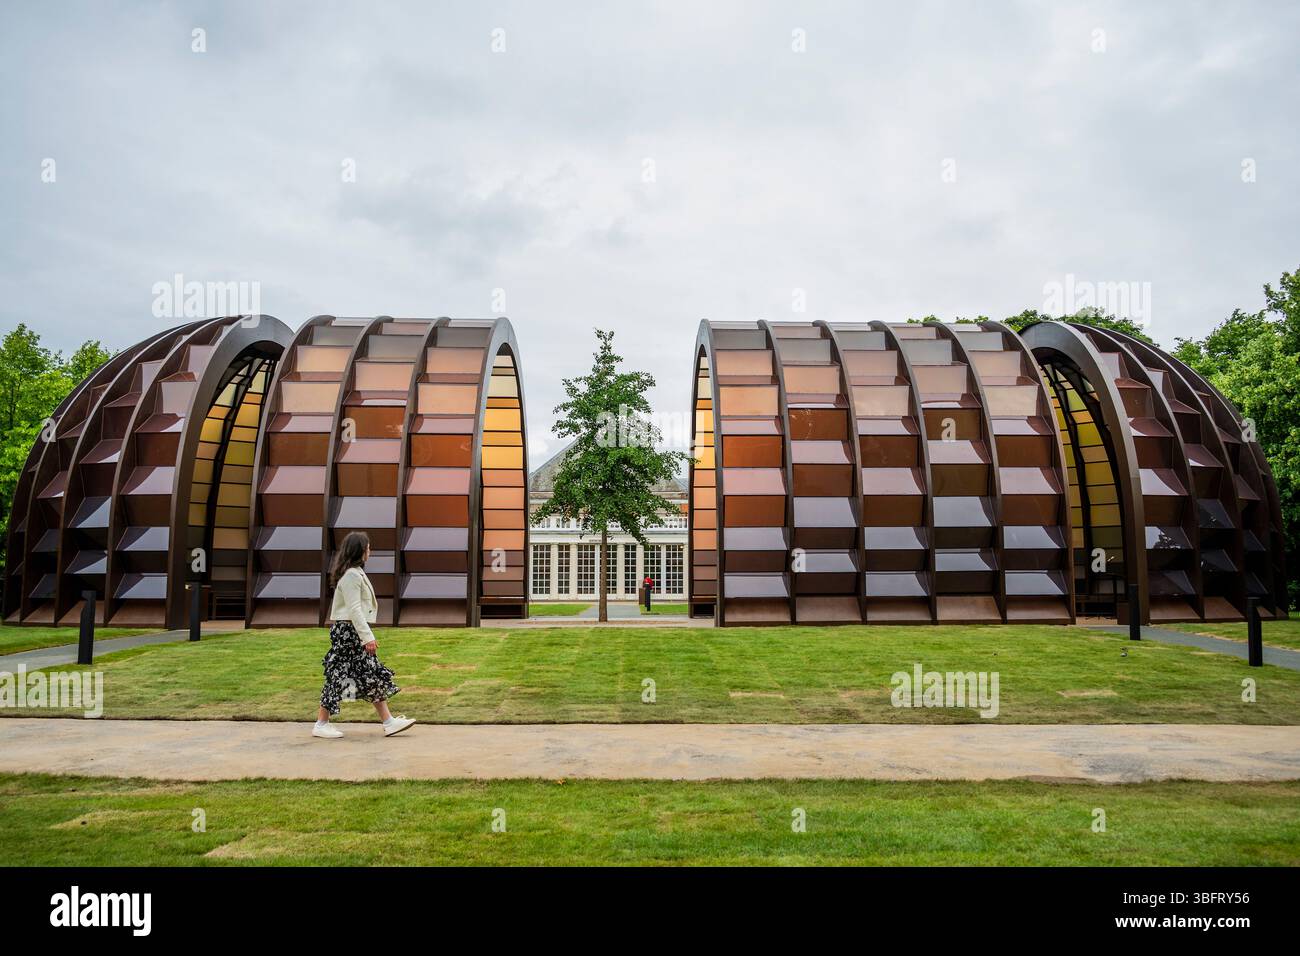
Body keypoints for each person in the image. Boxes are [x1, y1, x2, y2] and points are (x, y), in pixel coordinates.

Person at [312, 531, 415, 739]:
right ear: (360, 551)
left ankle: (388, 721)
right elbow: (354, 609)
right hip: (349, 632)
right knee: (341, 676)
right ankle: (322, 724)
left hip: (351, 631)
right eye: (368, 547)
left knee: (369, 673)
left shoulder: (354, 572)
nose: (370, 551)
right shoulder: (351, 575)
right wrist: (367, 637)